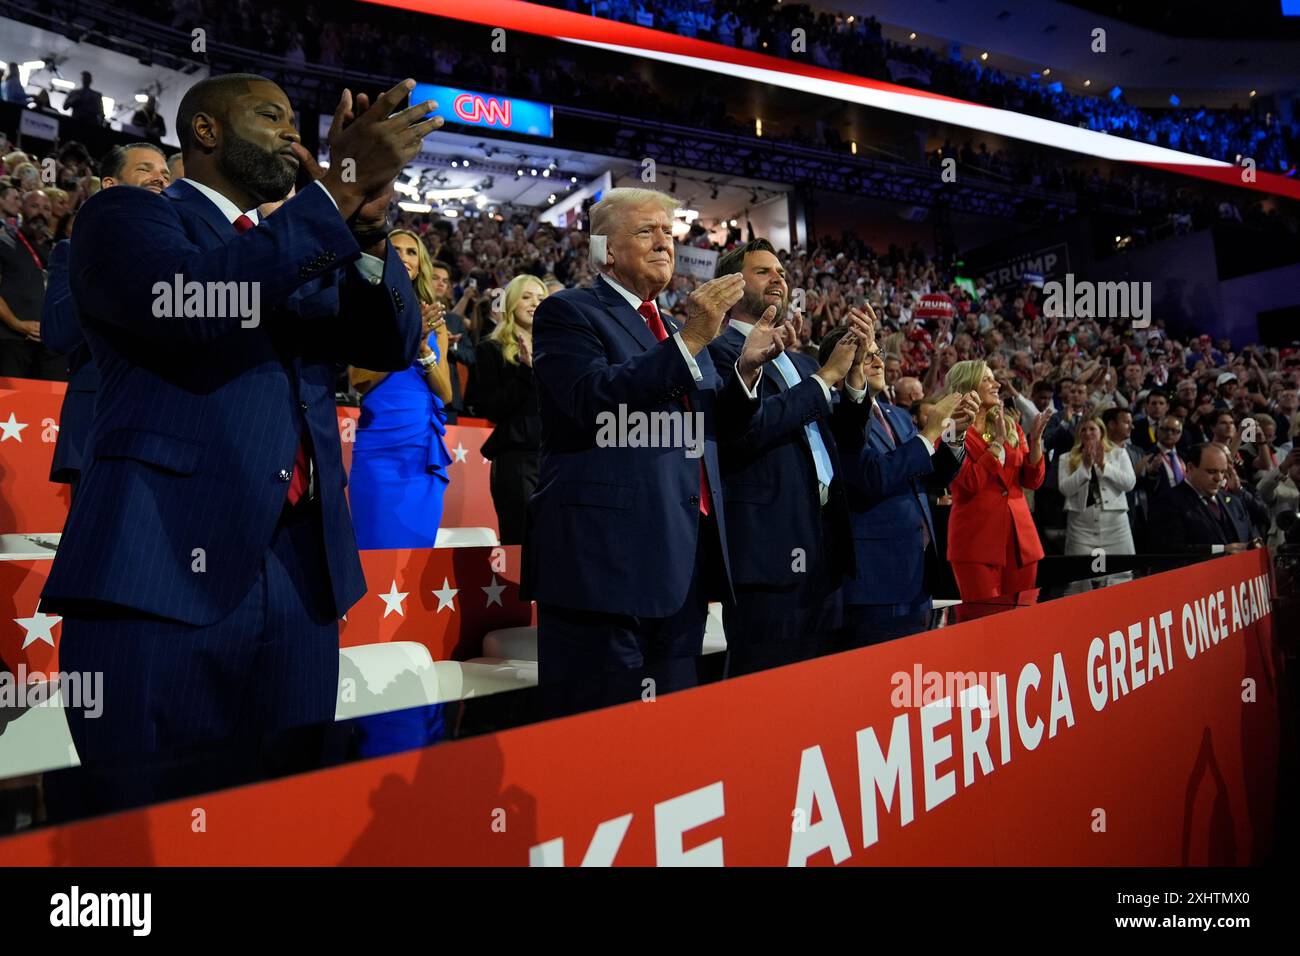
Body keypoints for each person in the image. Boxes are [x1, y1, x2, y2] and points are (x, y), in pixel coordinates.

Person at [39, 73, 434, 807]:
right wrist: (336, 196)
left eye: (295, 120)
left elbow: (391, 338)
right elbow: (192, 303)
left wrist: (369, 225)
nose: (293, 132)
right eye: (270, 115)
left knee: (282, 817)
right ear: (206, 132)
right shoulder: (126, 216)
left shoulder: (301, 240)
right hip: (157, 566)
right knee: (145, 820)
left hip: (300, 577)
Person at [525, 187, 789, 703]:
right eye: (646, 231)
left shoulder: (673, 325)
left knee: (668, 741)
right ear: (604, 249)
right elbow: (591, 401)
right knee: (599, 741)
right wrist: (690, 341)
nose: (664, 243)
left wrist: (746, 373)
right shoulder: (568, 312)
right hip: (604, 569)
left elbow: (720, 426)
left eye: (669, 232)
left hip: (681, 565)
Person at [705, 238, 869, 674]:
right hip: (767, 553)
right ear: (731, 286)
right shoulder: (715, 356)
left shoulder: (798, 361)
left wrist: (852, 380)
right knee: (766, 691)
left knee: (820, 691)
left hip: (824, 547)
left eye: (781, 271)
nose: (778, 278)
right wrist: (828, 375)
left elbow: (846, 442)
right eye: (763, 272)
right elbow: (748, 430)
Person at [829, 325, 974, 645]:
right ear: (840, 365)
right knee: (877, 680)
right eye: (867, 356)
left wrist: (953, 436)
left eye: (878, 353)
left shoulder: (898, 415)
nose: (879, 361)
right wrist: (928, 433)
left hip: (917, 570)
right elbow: (873, 478)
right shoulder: (838, 415)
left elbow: (929, 477)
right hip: (876, 577)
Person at [43, 142, 171, 498]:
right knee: (89, 546)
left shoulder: (183, 257)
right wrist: (110, 255)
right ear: (110, 186)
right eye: (145, 170)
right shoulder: (71, 253)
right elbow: (56, 335)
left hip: (168, 426)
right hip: (98, 421)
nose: (159, 179)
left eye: (165, 174)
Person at [348, 227, 454, 549]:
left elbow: (446, 394)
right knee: (375, 551)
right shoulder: (365, 306)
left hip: (420, 450)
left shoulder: (435, 321)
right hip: (380, 445)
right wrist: (408, 339)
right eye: (397, 250)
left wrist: (423, 348)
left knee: (416, 555)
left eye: (412, 252)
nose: (405, 257)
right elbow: (358, 379)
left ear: (421, 263)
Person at [945, 359, 1048, 601]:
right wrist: (997, 446)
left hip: (1020, 540)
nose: (997, 384)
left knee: (1023, 620)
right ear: (968, 386)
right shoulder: (950, 429)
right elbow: (969, 481)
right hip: (976, 541)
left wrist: (1035, 443)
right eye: (987, 379)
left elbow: (1032, 481)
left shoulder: (1010, 425)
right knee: (983, 623)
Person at [475, 273, 546, 545]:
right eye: (526, 297)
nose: (534, 303)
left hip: (555, 459)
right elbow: (492, 408)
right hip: (516, 462)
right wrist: (526, 372)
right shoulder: (491, 349)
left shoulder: (557, 352)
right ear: (512, 303)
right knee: (521, 543)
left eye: (540, 298)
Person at [0, 190, 66, 379]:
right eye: (34, 206)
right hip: (11, 342)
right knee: (9, 406)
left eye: (46, 208)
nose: (41, 213)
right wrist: (18, 324)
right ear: (21, 208)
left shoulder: (56, 250)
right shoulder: (4, 243)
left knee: (50, 405)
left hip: (50, 346)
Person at [1146, 444, 1258, 555]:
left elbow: (1251, 539)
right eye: (1211, 471)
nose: (1218, 478)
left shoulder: (1234, 501)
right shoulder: (1166, 503)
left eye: (1223, 472)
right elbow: (1172, 552)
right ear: (1190, 468)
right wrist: (1222, 549)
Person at [1058, 417, 1136, 556]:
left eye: (1092, 429)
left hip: (1116, 528)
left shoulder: (1119, 453)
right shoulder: (1066, 458)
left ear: (1101, 432)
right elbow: (1065, 489)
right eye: (1083, 429)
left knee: (1120, 573)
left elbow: (1129, 483)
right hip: (1080, 529)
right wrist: (1085, 467)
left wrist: (1104, 466)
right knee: (1081, 575)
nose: (1087, 433)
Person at [1102, 406, 1148, 548]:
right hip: (1109, 518)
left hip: (1139, 510)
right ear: (1111, 424)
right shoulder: (1099, 451)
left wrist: (1149, 473)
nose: (1132, 427)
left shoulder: (1137, 450)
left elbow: (1143, 482)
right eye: (1127, 422)